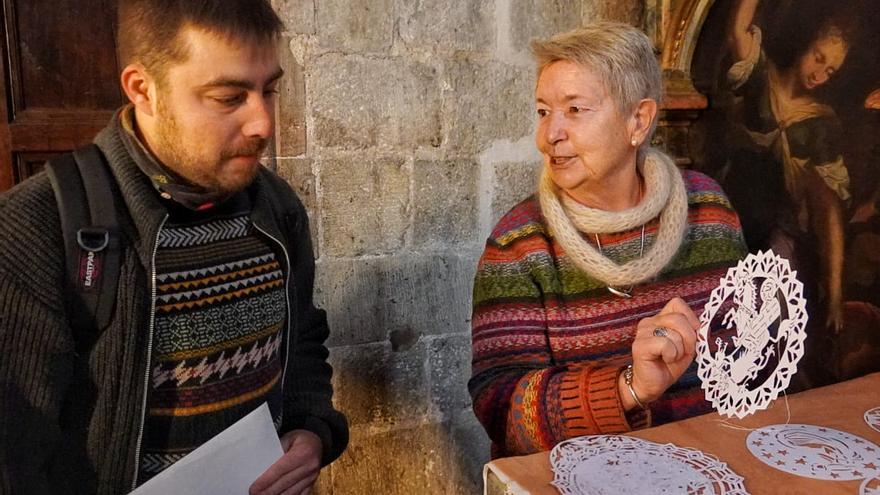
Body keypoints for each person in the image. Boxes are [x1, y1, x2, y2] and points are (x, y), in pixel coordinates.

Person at [0, 1, 348, 493]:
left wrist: (311, 430)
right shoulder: (36, 230)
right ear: (144, 89)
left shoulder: (277, 207)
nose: (263, 124)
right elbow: (15, 461)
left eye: (268, 89)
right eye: (229, 98)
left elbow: (303, 341)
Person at [468, 23, 747, 457]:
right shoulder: (520, 245)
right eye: (543, 111)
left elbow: (747, 358)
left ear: (638, 120)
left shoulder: (707, 207)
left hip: (713, 466)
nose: (549, 136)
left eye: (575, 110)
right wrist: (628, 389)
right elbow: (501, 413)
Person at [724, 0, 854, 334]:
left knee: (771, 322)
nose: (819, 74)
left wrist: (835, 289)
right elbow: (738, 28)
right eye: (818, 57)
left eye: (830, 71)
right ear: (803, 42)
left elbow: (828, 211)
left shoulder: (821, 125)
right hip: (730, 219)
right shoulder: (759, 78)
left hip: (778, 235)